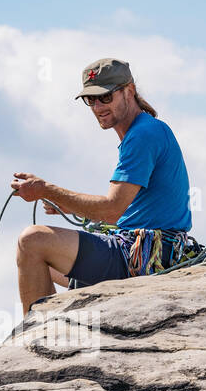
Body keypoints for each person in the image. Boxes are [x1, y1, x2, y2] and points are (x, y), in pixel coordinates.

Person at [11, 57, 194, 314]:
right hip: (141, 249)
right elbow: (125, 210)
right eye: (91, 100)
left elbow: (112, 210)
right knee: (38, 265)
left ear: (129, 91)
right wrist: (65, 205)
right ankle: (51, 333)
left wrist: (44, 189)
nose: (97, 107)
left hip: (143, 256)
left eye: (105, 97)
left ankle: (40, 337)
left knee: (31, 241)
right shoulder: (145, 131)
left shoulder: (142, 135)